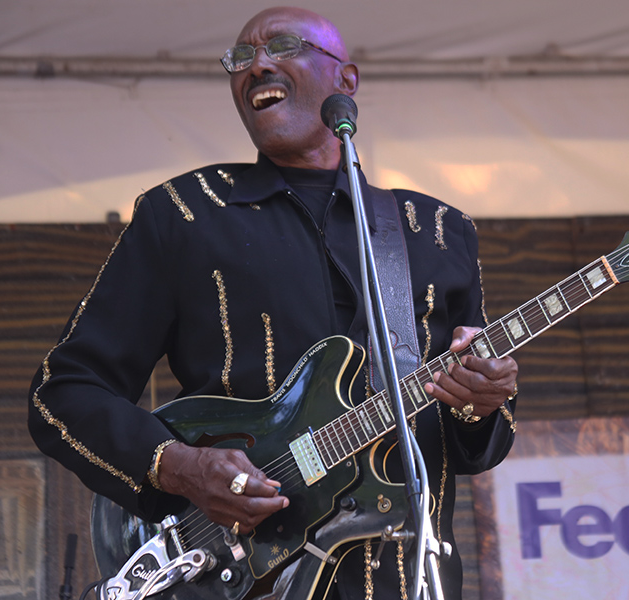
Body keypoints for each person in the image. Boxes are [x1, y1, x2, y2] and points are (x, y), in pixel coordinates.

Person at [28, 7, 519, 599]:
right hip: (239, 576)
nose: (257, 65)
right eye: (240, 57)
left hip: (407, 580)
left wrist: (481, 403)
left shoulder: (436, 231)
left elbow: (473, 448)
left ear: (346, 80)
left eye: (283, 47)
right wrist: (182, 467)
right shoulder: (184, 214)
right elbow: (64, 391)